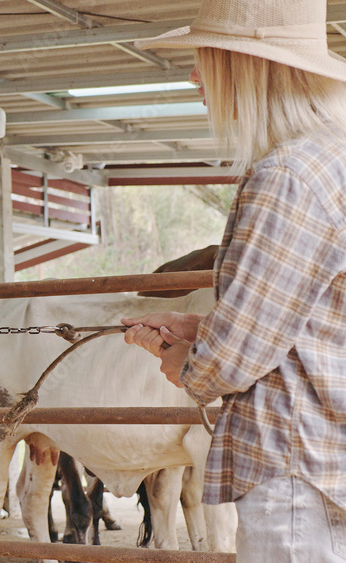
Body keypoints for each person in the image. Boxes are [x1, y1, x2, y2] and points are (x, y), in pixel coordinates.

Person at [120, 0, 346, 560]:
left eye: (208, 59)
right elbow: (315, 320)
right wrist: (201, 324)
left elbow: (230, 359)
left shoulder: (286, 175)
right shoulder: (331, 160)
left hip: (292, 467)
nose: (196, 75)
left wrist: (190, 363)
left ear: (246, 67)